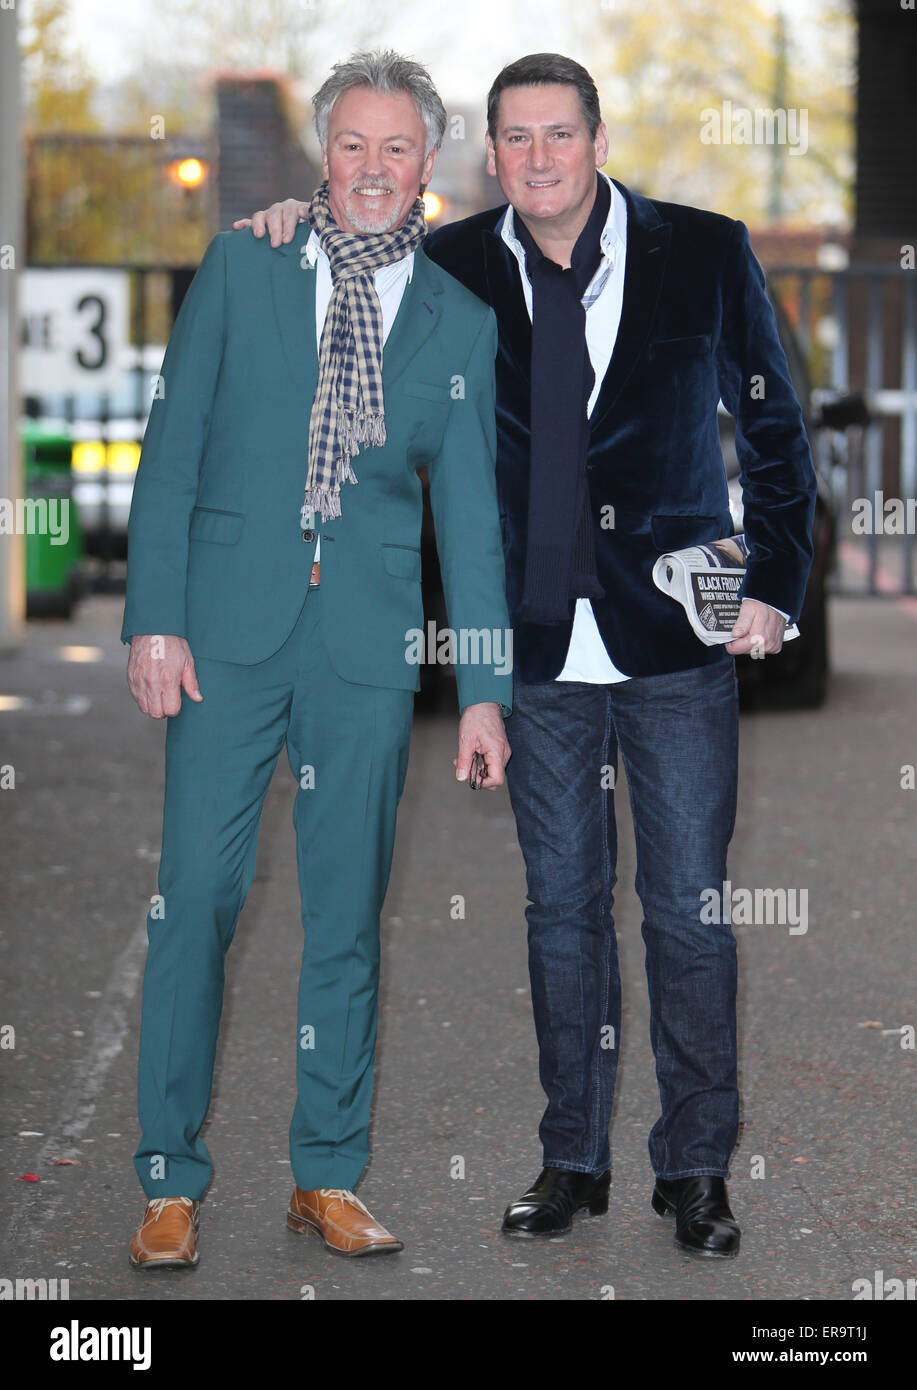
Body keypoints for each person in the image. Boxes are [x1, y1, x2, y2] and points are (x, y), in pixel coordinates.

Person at [240, 52, 816, 1259]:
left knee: (688, 916)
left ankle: (695, 1167)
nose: (538, 158)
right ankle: (572, 1159)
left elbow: (771, 421)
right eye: (514, 138)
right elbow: (338, 294)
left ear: (597, 141)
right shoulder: (444, 265)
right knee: (560, 913)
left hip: (671, 642)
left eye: (559, 134)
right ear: (488, 156)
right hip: (533, 647)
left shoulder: (701, 251)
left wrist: (770, 582)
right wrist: (290, 227)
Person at [121, 50, 512, 1270]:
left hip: (364, 651)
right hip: (224, 641)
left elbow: (475, 523)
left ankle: (326, 1175)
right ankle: (169, 1179)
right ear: (322, 156)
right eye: (353, 145)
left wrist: (488, 689)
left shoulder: (459, 321)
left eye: (399, 148)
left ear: (428, 164)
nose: (373, 169)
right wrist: (152, 617)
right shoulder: (244, 262)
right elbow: (172, 445)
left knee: (345, 920)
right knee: (195, 899)